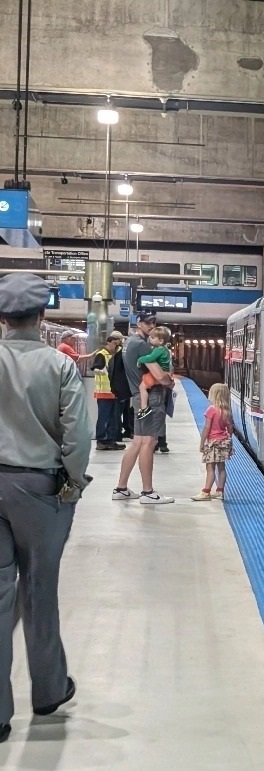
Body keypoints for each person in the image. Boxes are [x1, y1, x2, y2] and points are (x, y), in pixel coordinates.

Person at [0, 274, 91, 742]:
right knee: (38, 589)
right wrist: (74, 482)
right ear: (41, 317)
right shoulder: (60, 366)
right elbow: (77, 435)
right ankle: (49, 691)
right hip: (39, 489)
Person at [112, 314, 175, 504]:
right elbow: (158, 374)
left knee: (138, 443)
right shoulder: (143, 345)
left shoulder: (129, 343)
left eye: (154, 323)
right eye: (148, 322)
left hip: (137, 396)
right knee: (149, 442)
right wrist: (169, 381)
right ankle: (148, 492)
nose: (151, 326)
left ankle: (121, 489)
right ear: (138, 323)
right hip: (152, 397)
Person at [192, 384, 233, 501]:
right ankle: (220, 491)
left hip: (212, 443)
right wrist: (230, 443)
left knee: (210, 468)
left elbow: (206, 428)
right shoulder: (227, 412)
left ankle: (206, 492)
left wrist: (202, 443)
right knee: (221, 468)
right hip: (224, 442)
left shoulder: (211, 410)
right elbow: (230, 429)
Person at [91, 333, 126, 451]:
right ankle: (101, 440)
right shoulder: (102, 355)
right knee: (104, 417)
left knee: (113, 418)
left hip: (114, 392)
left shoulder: (116, 354)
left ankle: (110, 440)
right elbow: (96, 368)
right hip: (104, 392)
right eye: (115, 344)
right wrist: (101, 371)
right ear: (109, 342)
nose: (117, 346)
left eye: (118, 344)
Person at [135, 325, 172, 420]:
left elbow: (150, 358)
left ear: (161, 341)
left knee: (142, 387)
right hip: (164, 373)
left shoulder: (159, 350)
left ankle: (144, 408)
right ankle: (144, 408)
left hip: (157, 374)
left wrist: (140, 359)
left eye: (153, 338)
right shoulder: (164, 349)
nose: (150, 339)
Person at [107, 332, 134, 441]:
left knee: (123, 412)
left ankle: (125, 431)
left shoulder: (117, 355)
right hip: (121, 389)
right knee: (116, 414)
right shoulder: (121, 355)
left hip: (120, 389)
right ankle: (116, 435)